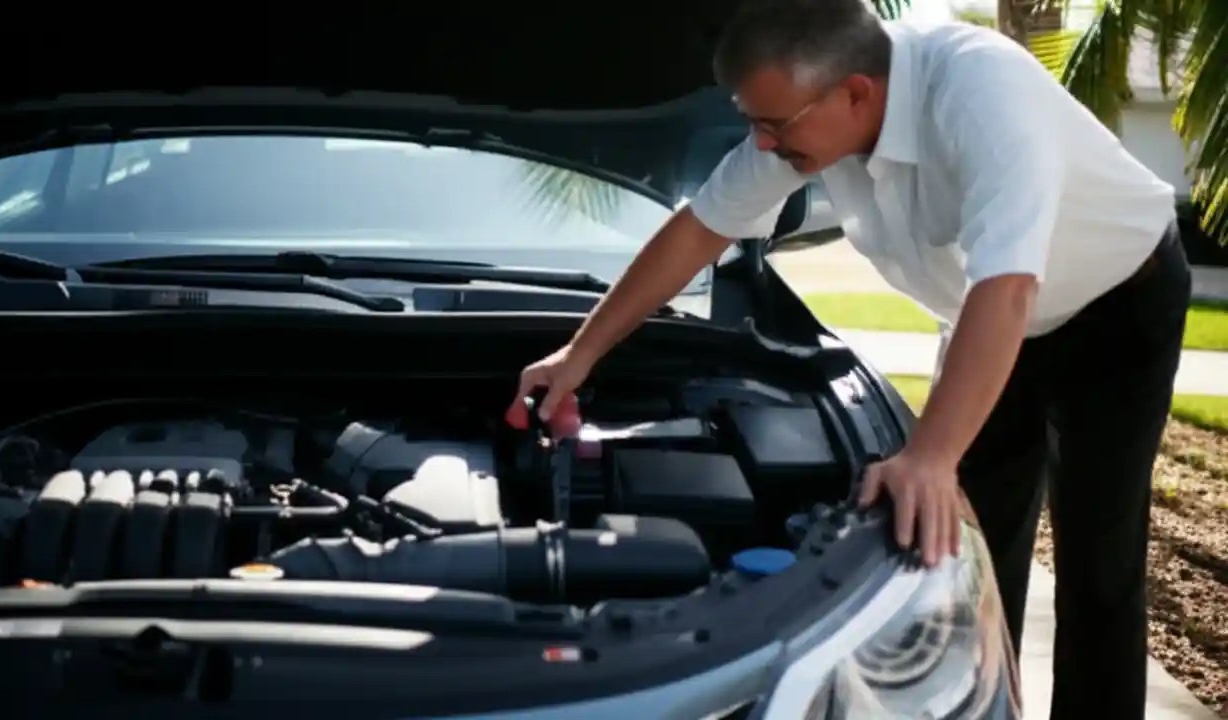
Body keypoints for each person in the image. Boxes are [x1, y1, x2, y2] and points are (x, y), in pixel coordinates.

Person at [509, 1, 1190, 717]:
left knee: (1097, 557)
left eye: (773, 125)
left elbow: (1010, 286)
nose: (762, 146)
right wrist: (577, 356)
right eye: (754, 123)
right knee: (971, 539)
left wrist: (929, 454)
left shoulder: (985, 94)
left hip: (1116, 304)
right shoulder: (814, 108)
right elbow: (698, 231)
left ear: (855, 92)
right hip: (986, 314)